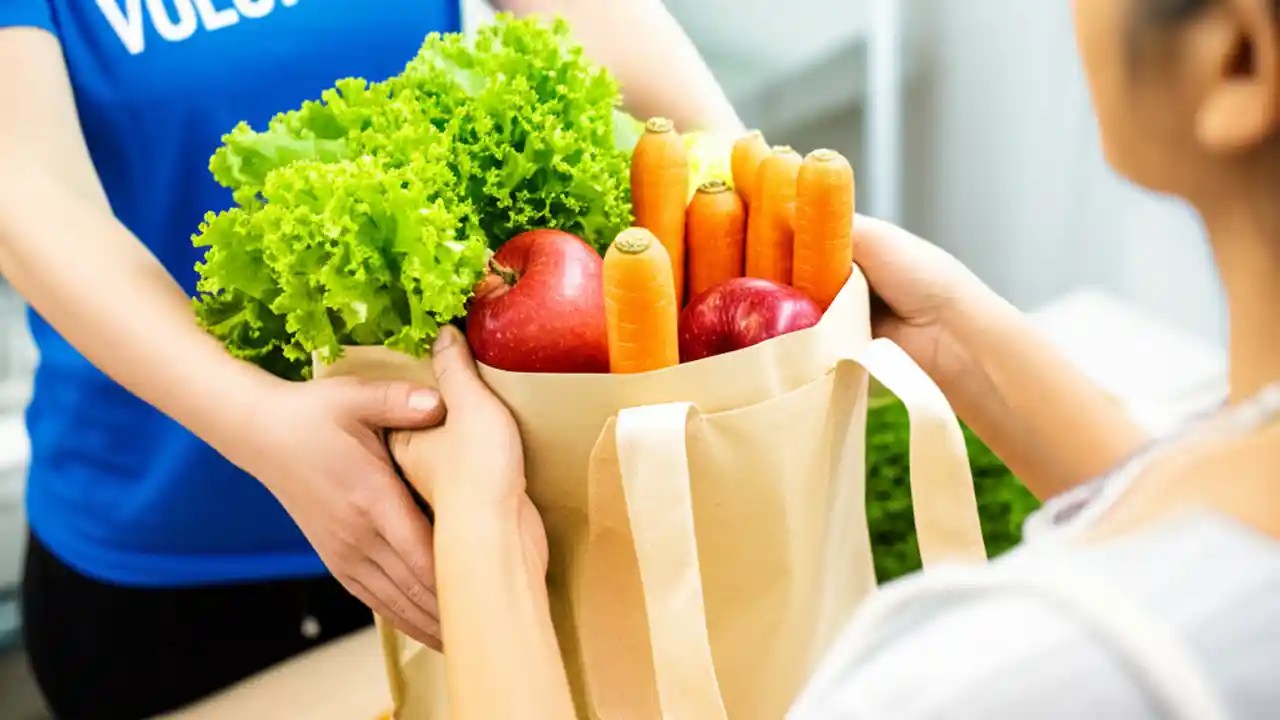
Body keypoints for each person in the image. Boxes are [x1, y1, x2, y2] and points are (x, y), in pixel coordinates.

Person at [391, 0, 1280, 716]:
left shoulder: (995, 676)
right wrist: (957, 337)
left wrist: (483, 538)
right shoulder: (1235, 462)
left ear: (1236, 61)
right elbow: (1191, 537)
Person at [0, 1, 741, 717]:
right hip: (167, 554)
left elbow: (593, 13)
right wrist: (253, 416)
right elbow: (26, 185)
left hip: (459, 516)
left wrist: (759, 190)